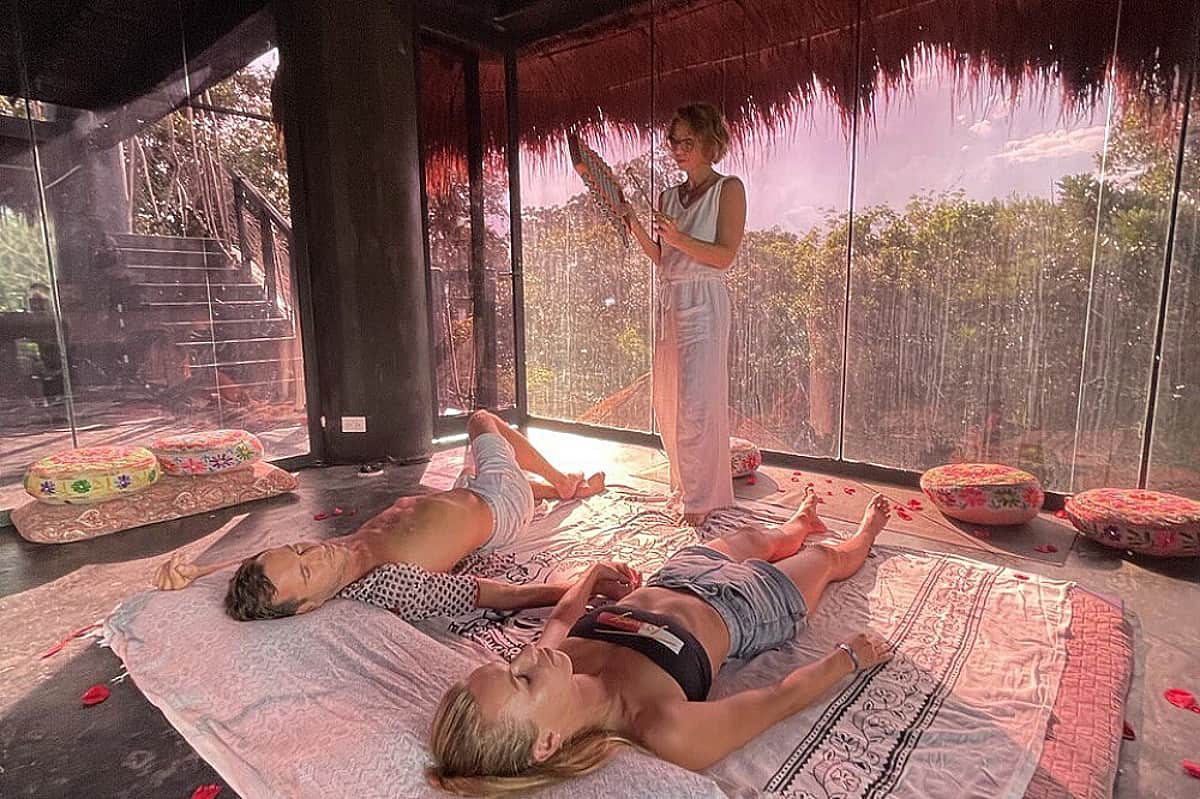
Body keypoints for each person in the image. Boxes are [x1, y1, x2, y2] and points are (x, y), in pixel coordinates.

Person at [427, 488, 894, 795]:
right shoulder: (657, 724)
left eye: (511, 664)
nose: (526, 654)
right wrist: (847, 659)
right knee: (826, 558)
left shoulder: (558, 658)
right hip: (747, 607)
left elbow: (565, 613)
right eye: (522, 680)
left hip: (677, 574)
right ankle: (865, 533)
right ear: (546, 742)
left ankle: (794, 524)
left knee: (756, 536)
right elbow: (775, 700)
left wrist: (592, 576)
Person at [153, 410, 617, 622]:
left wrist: (198, 570)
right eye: (308, 567)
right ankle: (558, 483)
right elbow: (493, 594)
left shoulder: (328, 558)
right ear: (312, 605)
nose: (312, 550)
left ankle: (549, 489)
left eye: (298, 547)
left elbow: (263, 566)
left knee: (470, 464)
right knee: (480, 421)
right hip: (499, 505)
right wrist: (584, 588)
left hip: (462, 495)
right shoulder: (389, 583)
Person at [623, 102, 747, 527]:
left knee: (699, 402)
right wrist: (635, 225)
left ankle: (704, 502)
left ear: (711, 143)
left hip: (705, 300)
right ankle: (685, 486)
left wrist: (680, 235)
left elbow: (724, 256)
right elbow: (664, 258)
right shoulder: (667, 197)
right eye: (673, 141)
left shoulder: (728, 189)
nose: (677, 148)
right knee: (669, 400)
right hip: (671, 300)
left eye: (687, 141)